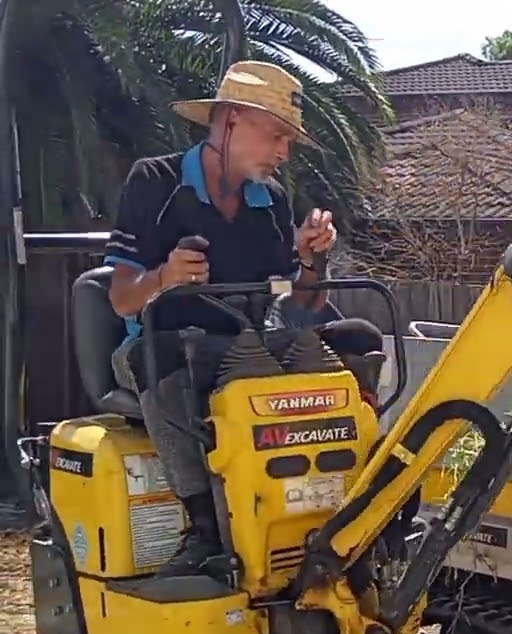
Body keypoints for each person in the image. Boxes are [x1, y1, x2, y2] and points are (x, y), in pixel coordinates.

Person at [102, 60, 385, 579]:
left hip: (254, 347)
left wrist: (310, 260)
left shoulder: (271, 200)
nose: (284, 152)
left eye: (290, 142)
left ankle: (351, 501)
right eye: (276, 135)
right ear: (230, 120)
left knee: (358, 337)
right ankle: (207, 529)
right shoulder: (155, 181)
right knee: (174, 353)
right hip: (164, 350)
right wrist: (165, 275)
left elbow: (300, 308)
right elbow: (122, 299)